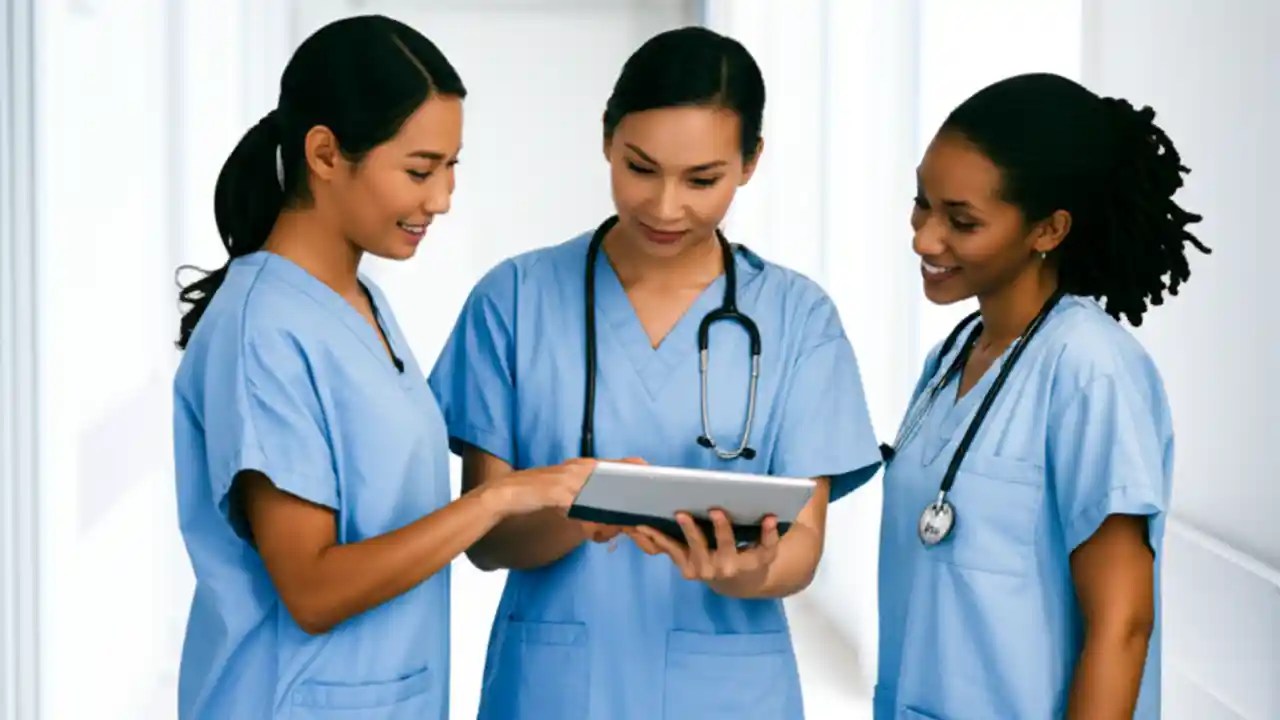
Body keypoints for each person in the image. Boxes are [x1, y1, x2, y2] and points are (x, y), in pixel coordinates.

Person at [428, 26, 881, 719]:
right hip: (554, 691)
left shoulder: (797, 318)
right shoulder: (513, 300)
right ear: (607, 137)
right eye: (640, 168)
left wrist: (744, 569)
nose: (667, 207)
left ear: (751, 161)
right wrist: (581, 514)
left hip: (728, 693)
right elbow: (487, 541)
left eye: (703, 180)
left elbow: (804, 547)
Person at [171, 15, 595, 720]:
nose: (442, 199)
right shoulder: (264, 331)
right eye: (420, 170)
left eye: (452, 167)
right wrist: (494, 499)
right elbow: (312, 590)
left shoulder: (358, 298)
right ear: (326, 153)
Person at [875, 72, 1209, 719]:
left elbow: (1123, 624)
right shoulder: (950, 359)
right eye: (922, 203)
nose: (924, 238)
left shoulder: (1090, 370)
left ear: (1048, 230)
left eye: (961, 221)